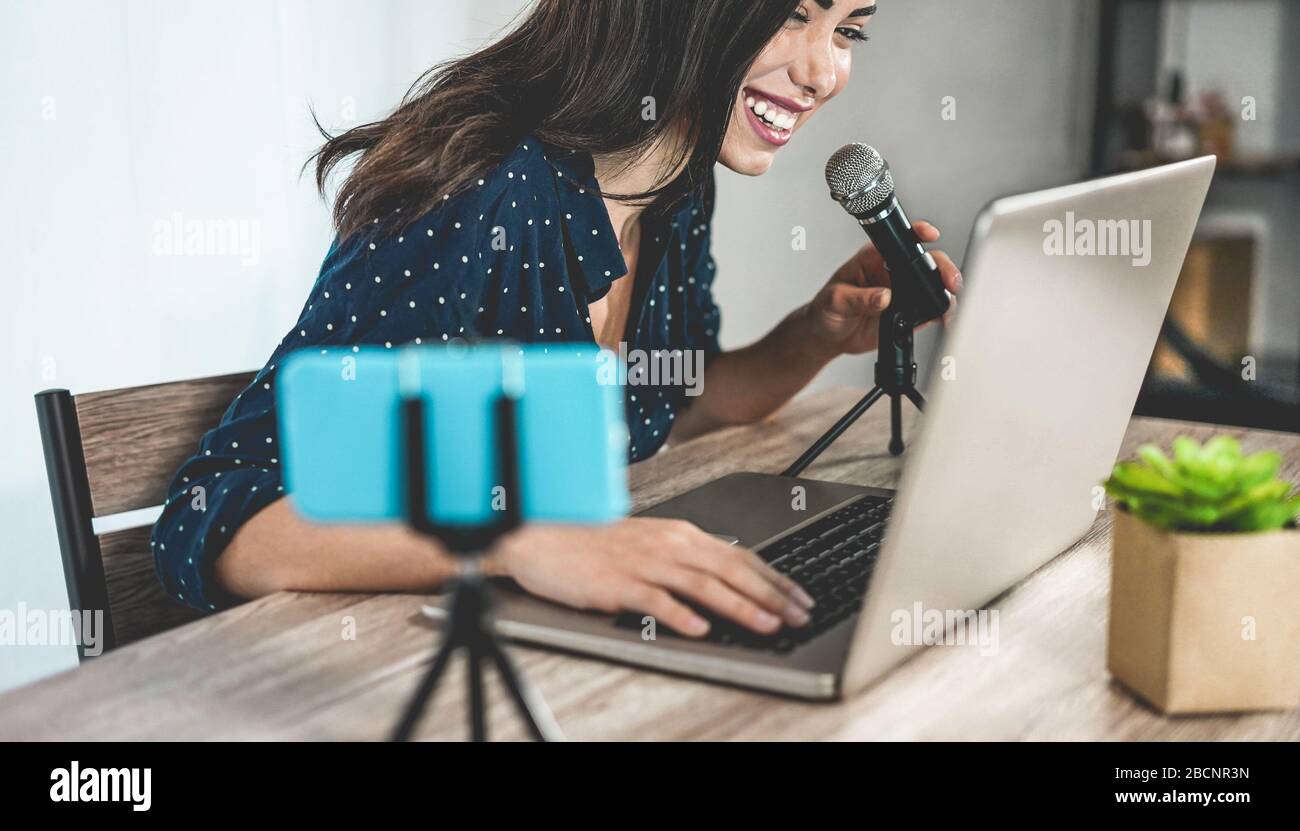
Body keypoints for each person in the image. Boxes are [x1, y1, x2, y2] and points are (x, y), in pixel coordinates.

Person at [151, 0, 961, 639]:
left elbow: (676, 406)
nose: (824, 72)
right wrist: (522, 545)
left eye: (848, 29)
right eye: (793, 14)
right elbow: (209, 519)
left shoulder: (675, 183)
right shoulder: (478, 186)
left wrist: (818, 333)